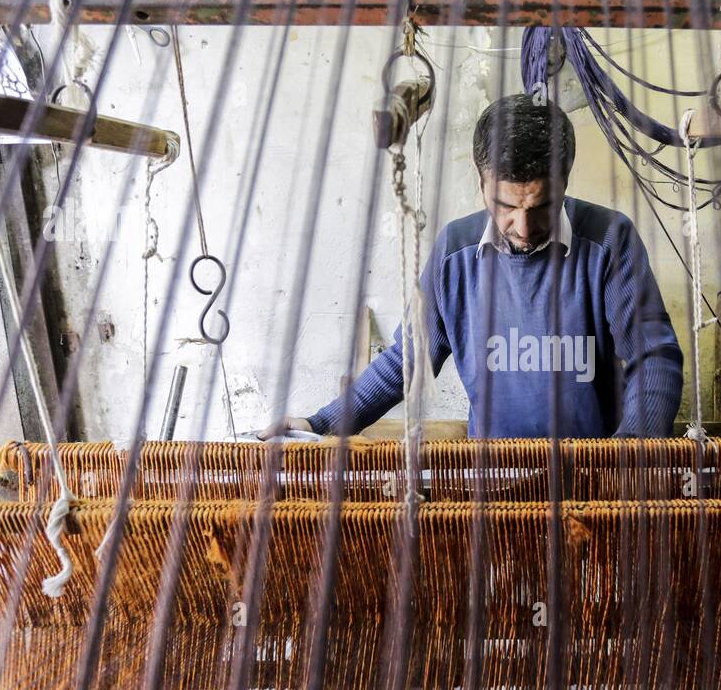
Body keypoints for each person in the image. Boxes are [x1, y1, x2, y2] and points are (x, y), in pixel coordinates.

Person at [260, 94, 683, 440]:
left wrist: (629, 456)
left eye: (542, 207)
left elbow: (655, 357)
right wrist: (320, 424)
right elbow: (406, 361)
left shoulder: (610, 240)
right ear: (480, 181)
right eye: (505, 206)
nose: (523, 226)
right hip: (491, 488)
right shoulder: (455, 252)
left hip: (594, 489)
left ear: (565, 182)